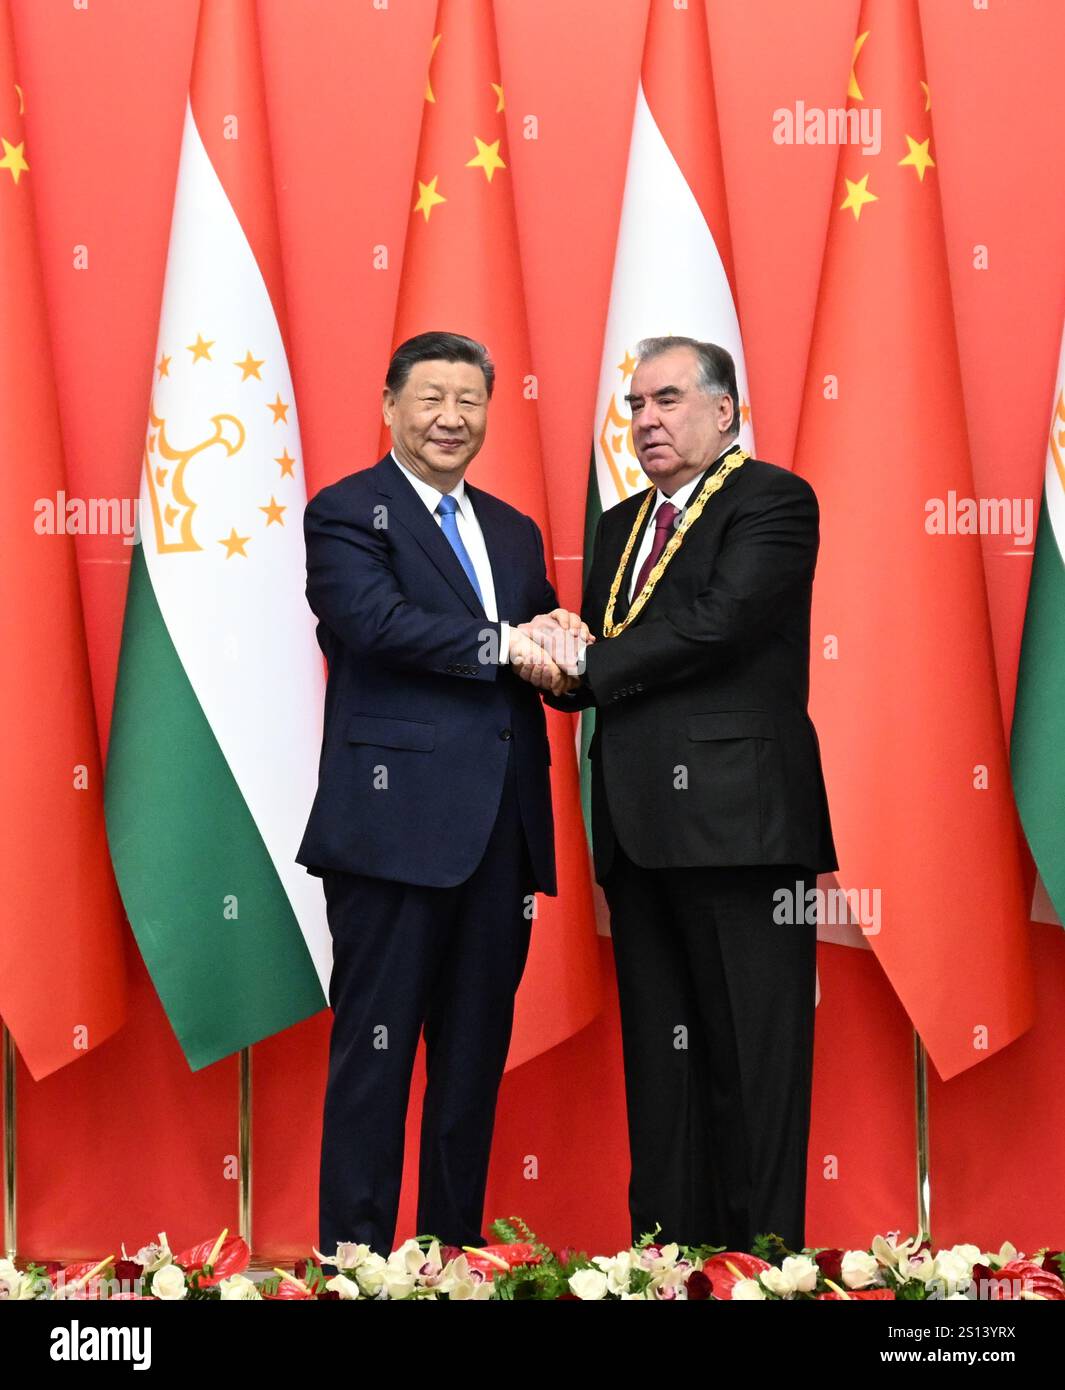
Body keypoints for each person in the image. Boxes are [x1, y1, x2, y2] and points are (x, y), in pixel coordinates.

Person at [543, 335, 837, 1252]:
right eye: (634, 406)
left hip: (742, 824)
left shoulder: (774, 499)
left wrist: (585, 665)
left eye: (667, 400)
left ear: (725, 410)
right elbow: (607, 643)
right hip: (635, 825)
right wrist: (559, 657)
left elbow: (720, 624)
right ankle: (663, 1263)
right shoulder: (618, 521)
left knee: (754, 1058)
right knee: (660, 1067)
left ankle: (763, 1265)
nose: (646, 421)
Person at [297, 330, 584, 1259]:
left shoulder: (511, 527)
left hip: (500, 834)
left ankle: (451, 1260)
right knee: (373, 1064)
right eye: (430, 398)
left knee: (470, 1069)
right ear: (389, 407)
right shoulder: (346, 512)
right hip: (390, 833)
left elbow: (538, 646)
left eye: (469, 400)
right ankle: (357, 1266)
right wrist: (508, 643)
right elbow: (374, 625)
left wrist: (570, 655)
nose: (451, 417)